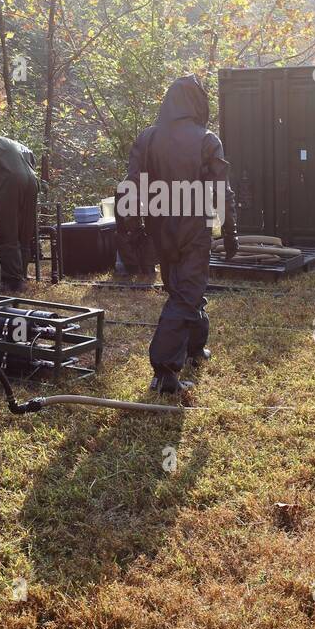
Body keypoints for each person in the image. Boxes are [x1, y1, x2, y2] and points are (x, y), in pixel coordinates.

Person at [121, 75, 237, 395]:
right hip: (192, 228)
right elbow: (222, 192)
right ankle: (164, 370)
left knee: (184, 290)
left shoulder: (147, 137)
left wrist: (132, 230)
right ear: (198, 103)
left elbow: (131, 186)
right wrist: (230, 233)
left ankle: (195, 349)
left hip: (161, 228)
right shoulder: (206, 139)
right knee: (186, 294)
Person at [0, 136, 40, 293]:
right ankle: (22, 274)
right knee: (25, 231)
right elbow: (33, 163)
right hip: (32, 181)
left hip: (10, 181)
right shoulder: (21, 146)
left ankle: (11, 280)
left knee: (7, 229)